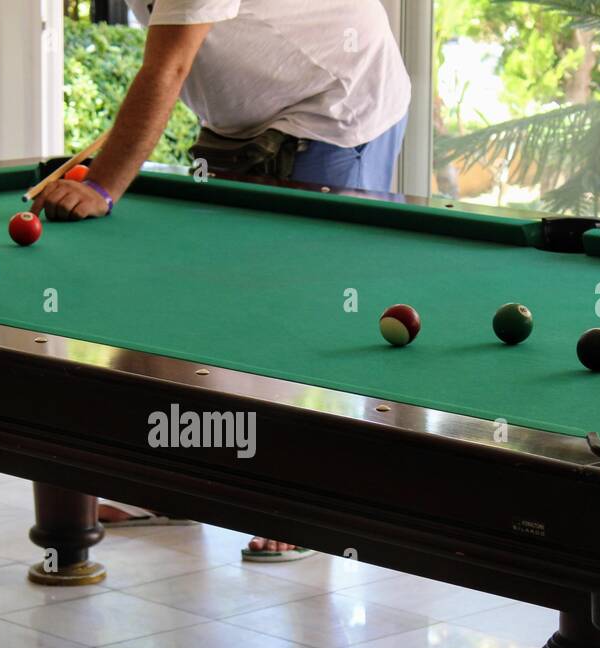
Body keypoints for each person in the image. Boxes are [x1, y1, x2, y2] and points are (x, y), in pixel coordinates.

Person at [34, 0, 411, 560]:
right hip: (250, 121)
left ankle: (303, 504)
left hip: (337, 106)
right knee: (195, 299)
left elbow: (169, 68)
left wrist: (104, 187)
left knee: (295, 309)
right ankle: (158, 484)